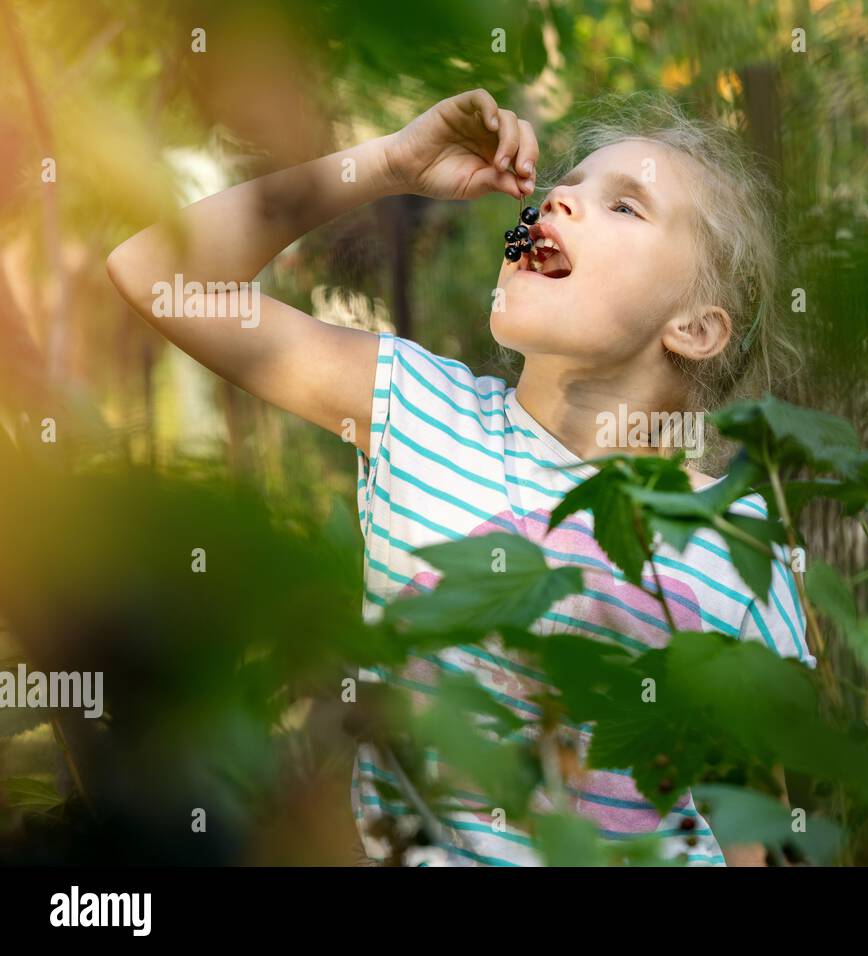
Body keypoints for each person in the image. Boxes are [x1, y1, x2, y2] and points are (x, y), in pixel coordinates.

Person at [107, 88, 813, 866]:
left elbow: (753, 835)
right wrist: (385, 163)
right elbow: (150, 271)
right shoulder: (412, 409)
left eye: (625, 207)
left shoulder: (735, 547)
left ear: (696, 326)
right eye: (566, 184)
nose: (563, 199)